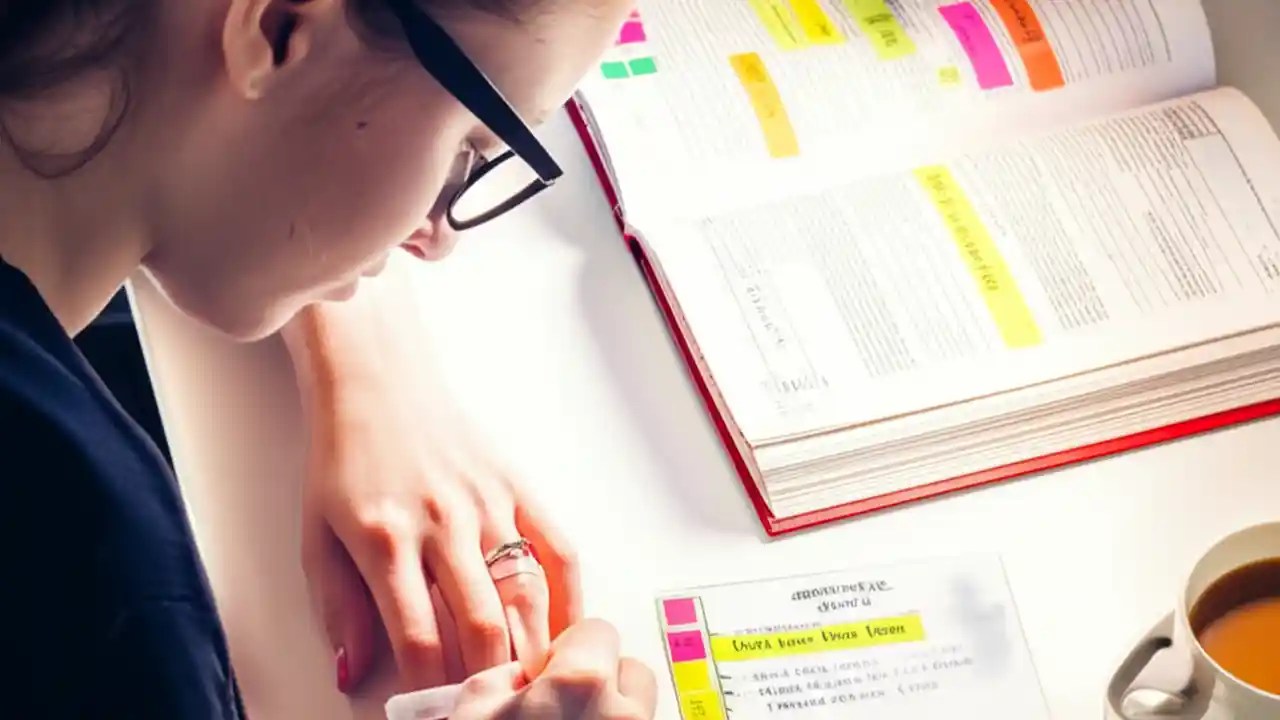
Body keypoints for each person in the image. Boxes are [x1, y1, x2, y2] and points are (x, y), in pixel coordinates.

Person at [0, 0, 656, 717]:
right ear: (278, 30)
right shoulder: (96, 581)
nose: (436, 239)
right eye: (470, 149)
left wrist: (365, 356)